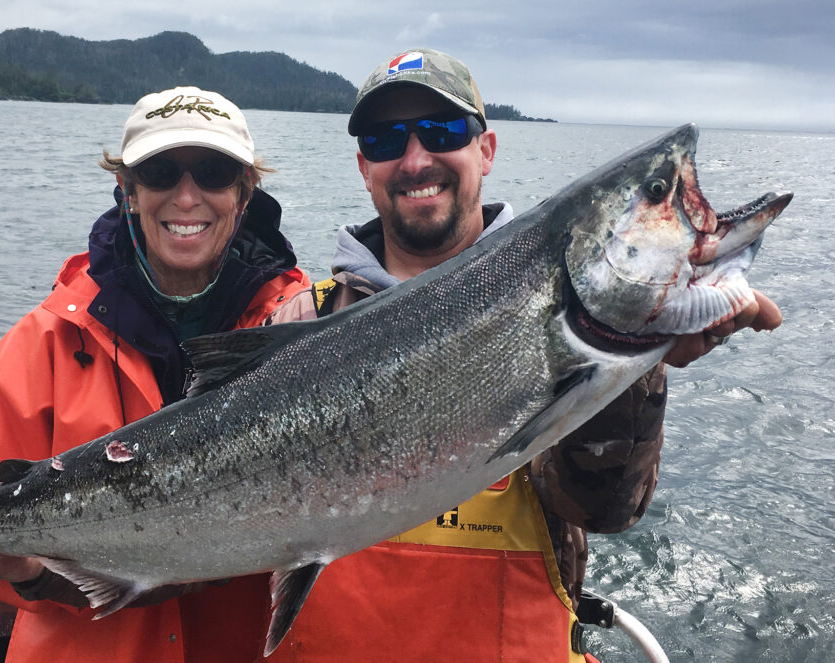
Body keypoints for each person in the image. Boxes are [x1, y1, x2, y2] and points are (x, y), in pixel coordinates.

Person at [258, 48, 782, 662]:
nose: (415, 157)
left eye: (443, 130)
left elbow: (604, 507)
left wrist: (639, 362)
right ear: (363, 166)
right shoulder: (302, 322)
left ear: (486, 150)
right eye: (385, 139)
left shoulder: (560, 313)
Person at [0, 87, 309, 663]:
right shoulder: (55, 333)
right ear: (128, 191)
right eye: (162, 172)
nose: (187, 196)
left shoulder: (300, 325)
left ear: (244, 194)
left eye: (214, 173)